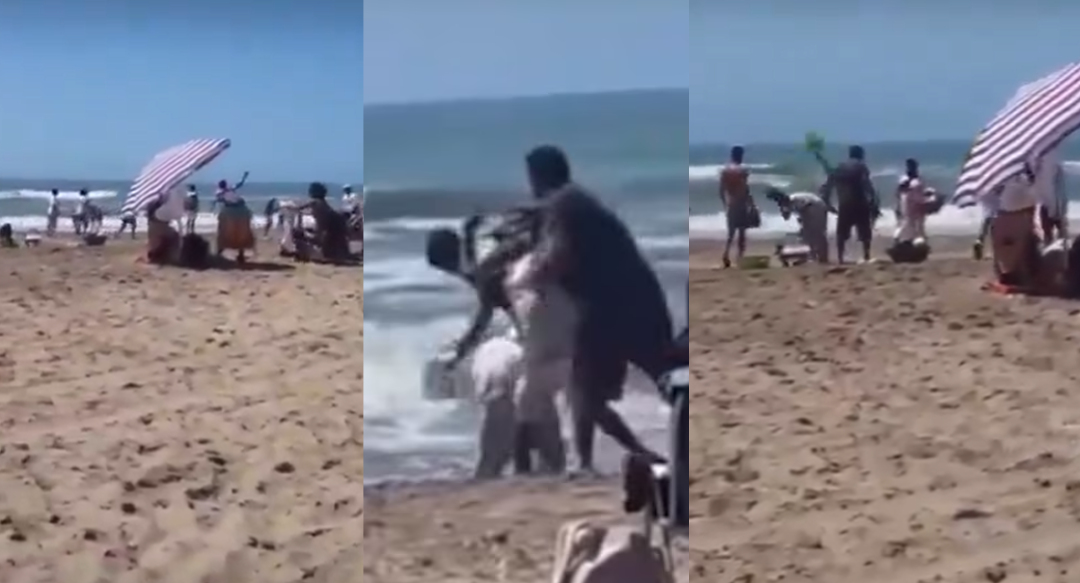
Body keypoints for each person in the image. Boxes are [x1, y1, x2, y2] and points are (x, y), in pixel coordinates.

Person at [523, 145, 671, 472]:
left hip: (610, 308)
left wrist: (526, 279)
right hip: (638, 300)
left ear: (536, 176)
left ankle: (586, 464)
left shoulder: (562, 204)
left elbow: (558, 255)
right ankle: (637, 453)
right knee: (662, 378)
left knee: (583, 386)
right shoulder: (575, 200)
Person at [820, 145, 879, 264]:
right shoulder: (861, 166)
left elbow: (828, 185)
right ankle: (866, 256)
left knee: (841, 232)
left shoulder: (839, 167)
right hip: (859, 202)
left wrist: (827, 202)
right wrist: (873, 200)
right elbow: (866, 184)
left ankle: (840, 258)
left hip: (844, 203)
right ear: (860, 154)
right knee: (864, 232)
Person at [765, 187, 831, 263]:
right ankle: (816, 256)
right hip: (816, 205)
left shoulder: (792, 200)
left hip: (814, 207)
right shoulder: (792, 199)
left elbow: (800, 209)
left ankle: (820, 257)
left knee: (816, 233)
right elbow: (787, 215)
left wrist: (803, 219)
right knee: (810, 234)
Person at [292, 182, 352, 262]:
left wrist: (283, 204)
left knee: (297, 234)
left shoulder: (315, 202)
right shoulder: (325, 204)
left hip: (324, 237)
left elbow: (297, 208)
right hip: (333, 238)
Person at [719, 146, 758, 268]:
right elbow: (745, 189)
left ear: (731, 155)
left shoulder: (725, 171)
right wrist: (752, 204)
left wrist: (725, 204)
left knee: (730, 233)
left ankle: (725, 254)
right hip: (741, 204)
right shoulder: (742, 170)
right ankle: (739, 258)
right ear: (741, 155)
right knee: (741, 232)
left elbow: (721, 190)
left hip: (731, 203)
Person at [211, 172, 255, 263]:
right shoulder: (223, 191)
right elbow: (220, 198)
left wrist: (244, 177)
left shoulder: (226, 190)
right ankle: (225, 252)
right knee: (232, 232)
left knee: (234, 232)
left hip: (235, 211)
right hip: (238, 211)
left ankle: (235, 253)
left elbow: (239, 185)